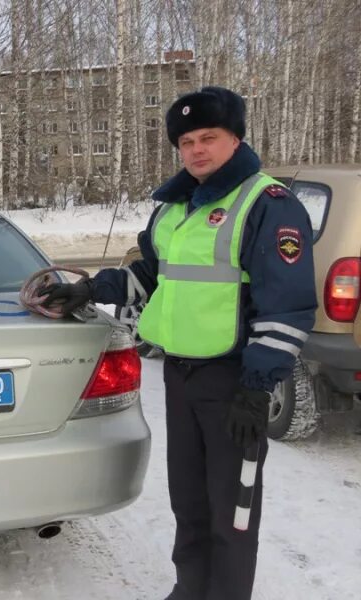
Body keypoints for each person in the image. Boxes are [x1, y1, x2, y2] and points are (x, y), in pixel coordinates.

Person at [41, 86, 317, 600]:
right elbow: (150, 275)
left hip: (233, 381)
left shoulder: (268, 205)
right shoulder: (173, 208)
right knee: (188, 502)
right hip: (179, 375)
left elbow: (288, 306)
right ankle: (190, 590)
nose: (196, 150)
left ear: (235, 137)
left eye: (208, 137)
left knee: (231, 511)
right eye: (186, 141)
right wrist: (88, 288)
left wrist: (258, 387)